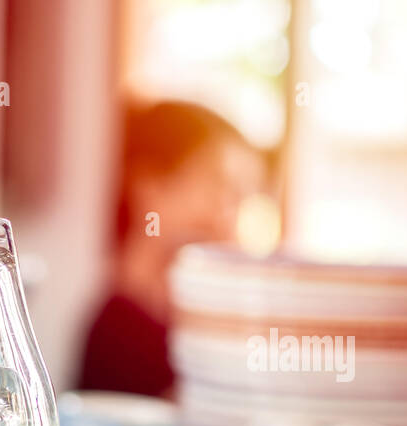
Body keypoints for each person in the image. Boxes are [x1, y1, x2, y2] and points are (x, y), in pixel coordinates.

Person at [76, 99, 265, 397]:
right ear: (150, 184)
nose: (227, 211)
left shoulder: (199, 320)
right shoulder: (119, 330)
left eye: (239, 196)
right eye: (217, 183)